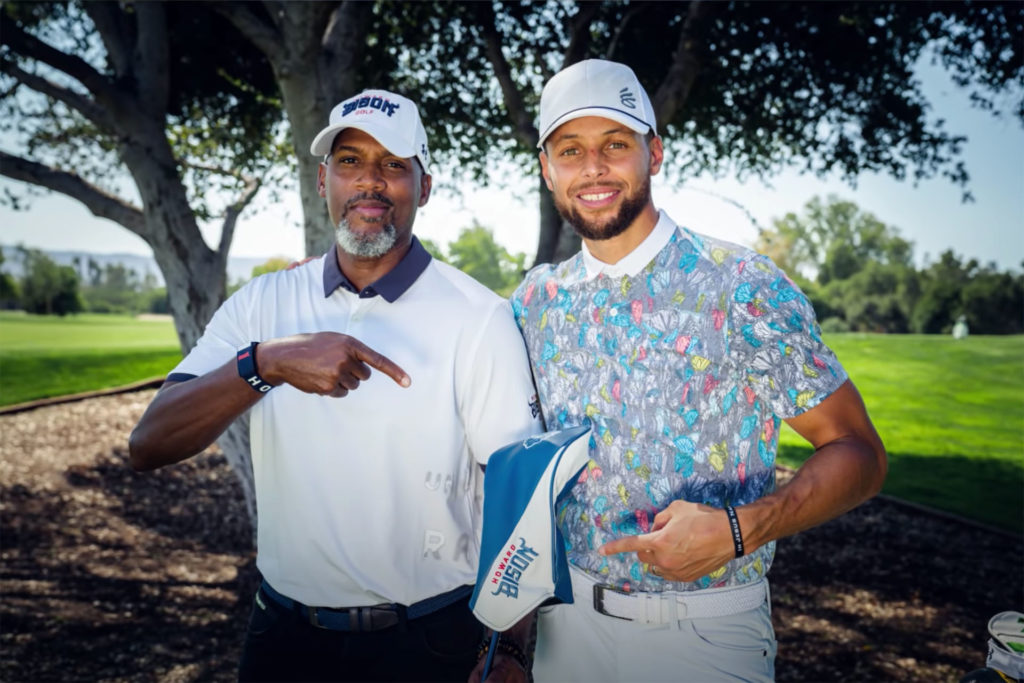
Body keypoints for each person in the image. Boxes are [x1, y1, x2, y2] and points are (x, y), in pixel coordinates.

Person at [129, 89, 542, 682]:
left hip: (429, 642)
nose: (369, 181)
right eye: (349, 161)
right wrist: (266, 364)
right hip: (283, 640)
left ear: (424, 188)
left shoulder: (479, 317)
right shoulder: (263, 305)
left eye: (394, 165)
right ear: (324, 180)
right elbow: (150, 442)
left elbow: (517, 495)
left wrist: (511, 650)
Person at [506, 59, 888, 682]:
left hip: (704, 632)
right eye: (570, 150)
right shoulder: (536, 302)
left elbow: (860, 453)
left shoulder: (742, 285)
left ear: (654, 154)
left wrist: (740, 531)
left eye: (616, 145)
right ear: (547, 169)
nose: (594, 168)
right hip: (563, 630)